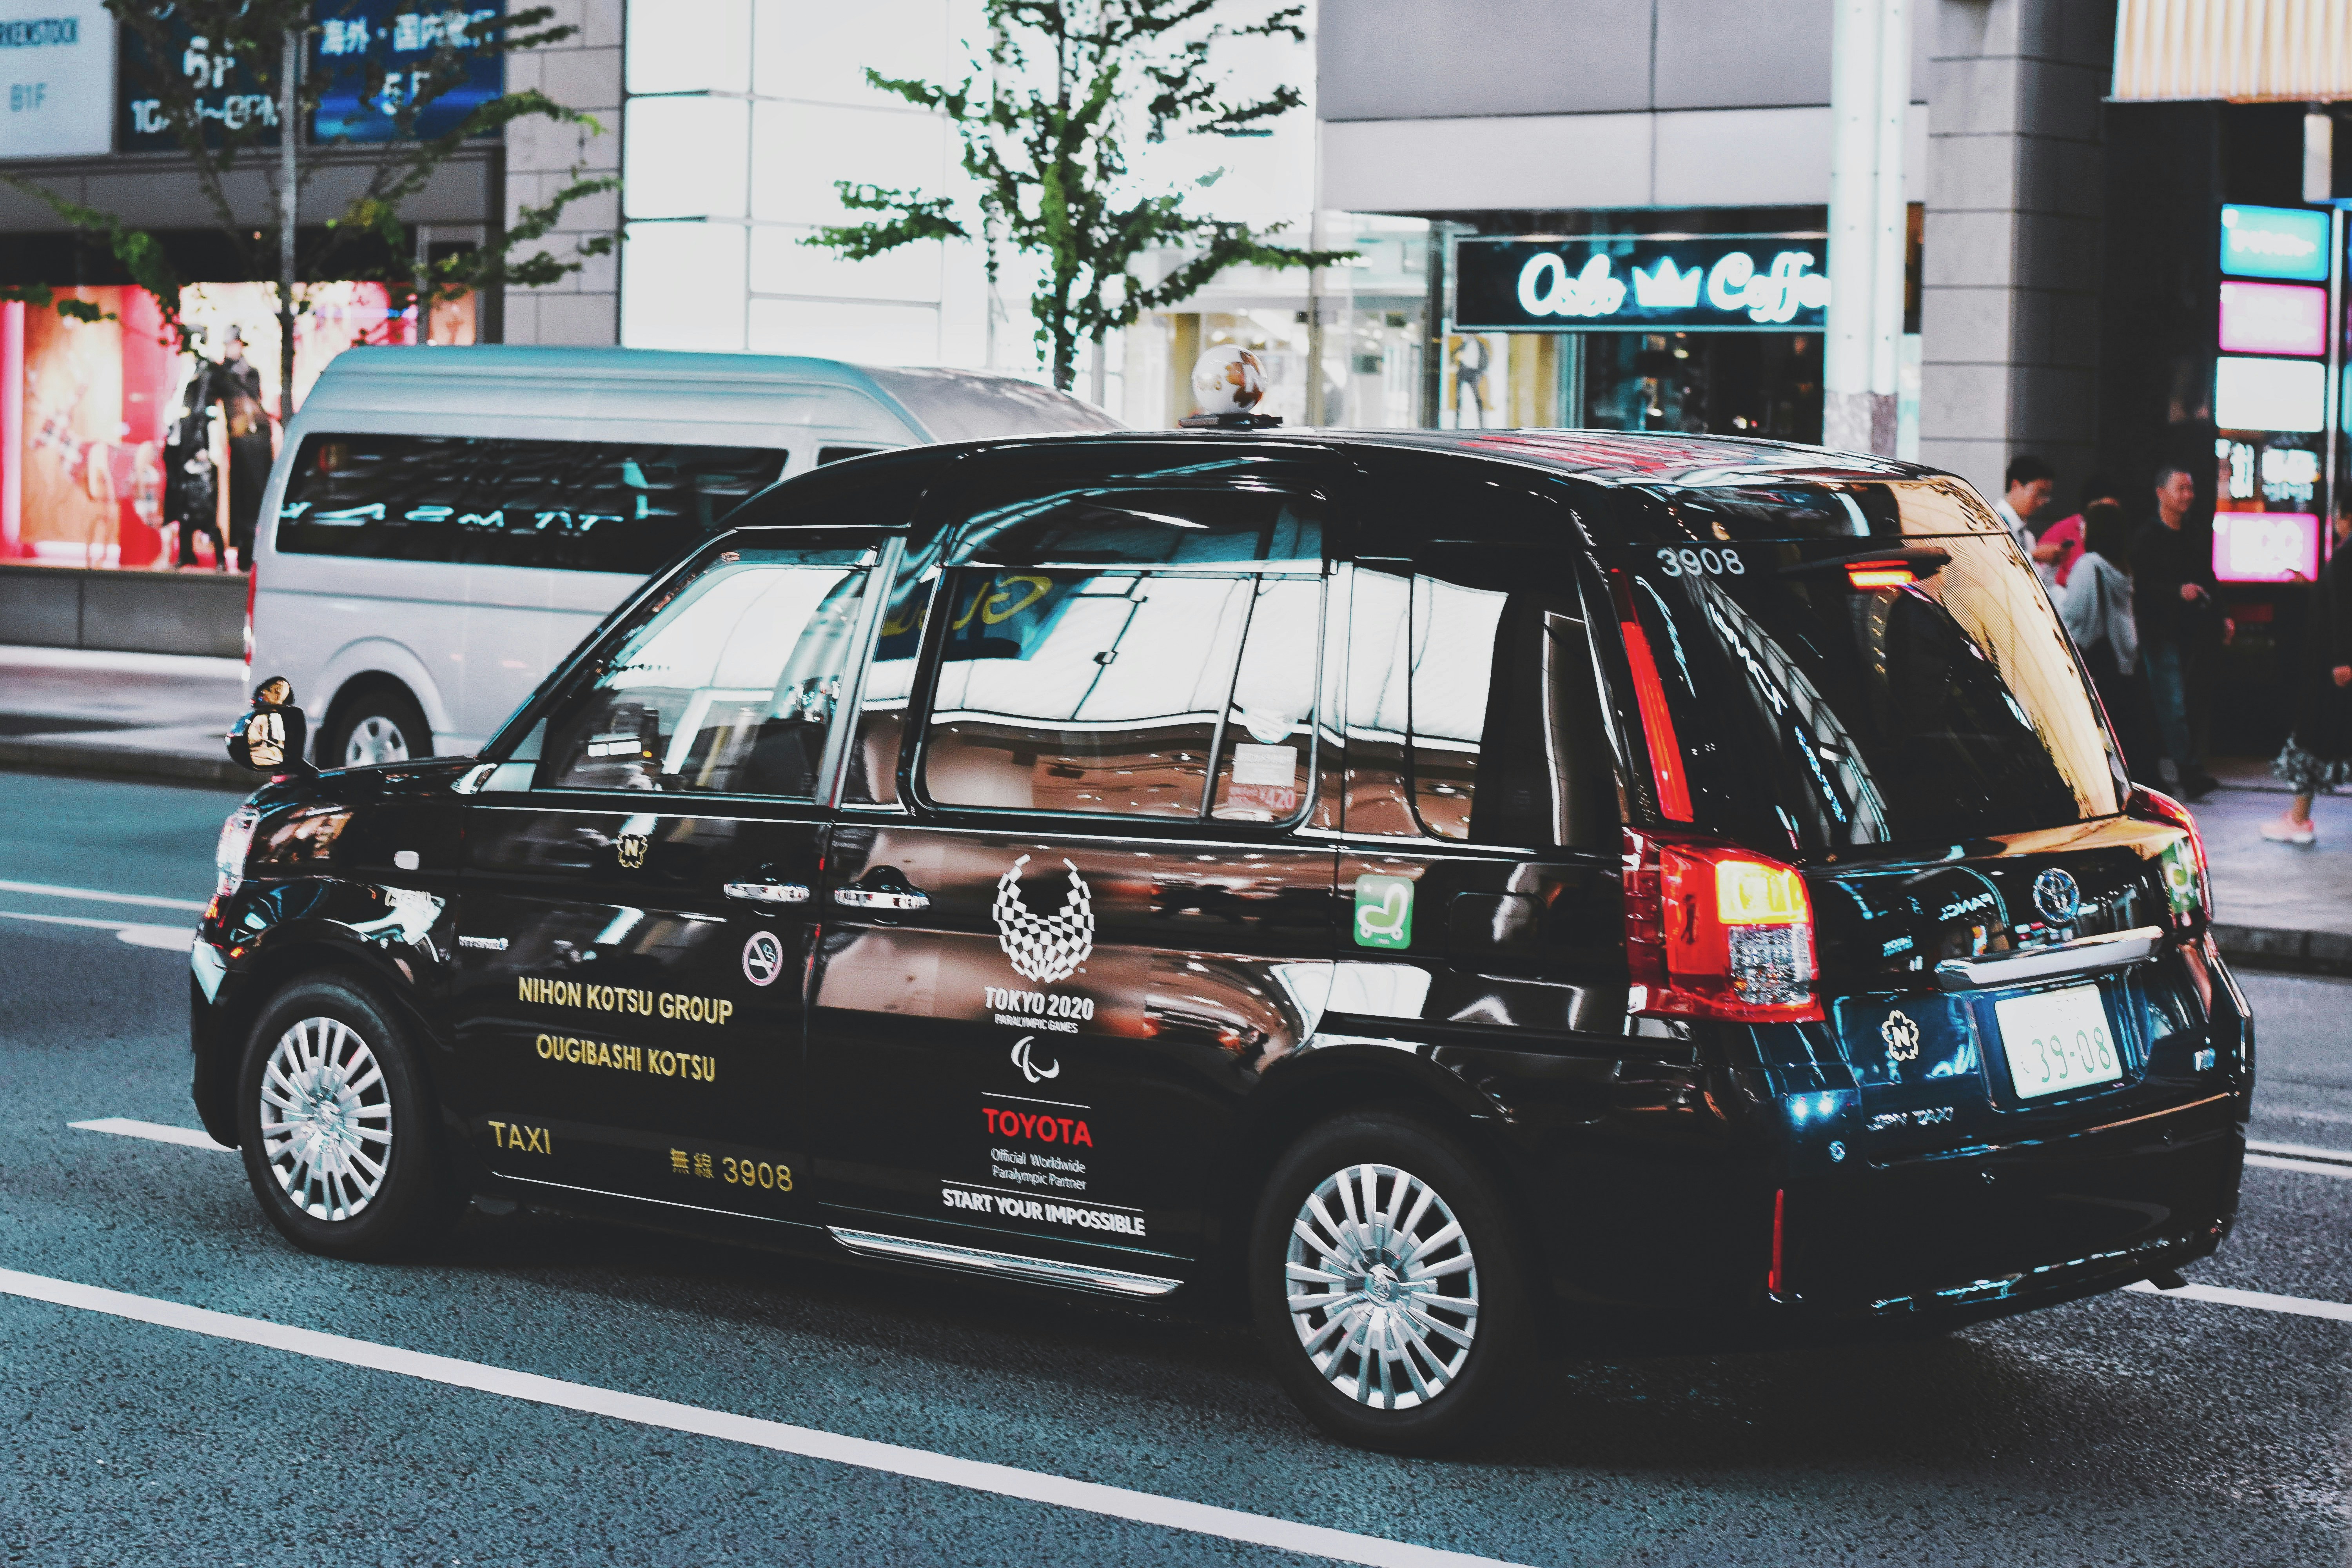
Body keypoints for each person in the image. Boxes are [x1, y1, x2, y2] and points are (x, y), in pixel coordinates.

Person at [2263, 510, 2352, 844]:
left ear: (2345, 517)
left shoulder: (2346, 554)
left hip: (2332, 671)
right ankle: (2298, 818)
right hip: (2337, 668)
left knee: (2312, 740)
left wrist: (2343, 660)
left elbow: (2343, 610)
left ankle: (2299, 820)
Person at [2134, 463, 2222, 801]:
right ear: (2161, 494)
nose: (2188, 496)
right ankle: (2188, 771)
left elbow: (2209, 577)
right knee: (2171, 703)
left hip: (2191, 632)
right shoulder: (2147, 537)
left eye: (2190, 489)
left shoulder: (2193, 533)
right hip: (2159, 632)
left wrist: (2223, 616)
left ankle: (2171, 770)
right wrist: (2177, 592)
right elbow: (2140, 587)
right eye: (2181, 489)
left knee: (2178, 702)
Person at [2058, 500, 2152, 769]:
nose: (2082, 530)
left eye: (2085, 525)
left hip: (2098, 664)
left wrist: (2054, 591)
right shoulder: (2122, 568)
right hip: (2121, 665)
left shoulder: (2090, 565)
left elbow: (2073, 616)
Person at [206, 330, 272, 571]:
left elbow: (254, 399)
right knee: (242, 496)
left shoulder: (250, 373)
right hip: (241, 440)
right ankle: (244, 549)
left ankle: (253, 550)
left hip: (257, 441)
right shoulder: (221, 375)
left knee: (257, 494)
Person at [2037, 471, 2122, 590]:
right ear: (2091, 505)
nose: (2111, 517)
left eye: (2115, 511)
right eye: (2107, 510)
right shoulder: (2062, 532)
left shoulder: (2115, 539)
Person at [1994, 455, 2060, 580]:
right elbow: (1997, 570)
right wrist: (2033, 556)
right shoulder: (1994, 525)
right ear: (2016, 486)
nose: (2042, 502)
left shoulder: (2027, 536)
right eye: (2039, 493)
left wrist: (2050, 562)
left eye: (2046, 496)